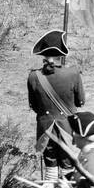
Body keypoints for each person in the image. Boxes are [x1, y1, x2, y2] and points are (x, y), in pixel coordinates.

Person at [27, 28, 85, 172]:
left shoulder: (34, 76)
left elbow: (34, 106)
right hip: (67, 127)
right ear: (62, 55)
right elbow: (80, 102)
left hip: (45, 128)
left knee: (50, 168)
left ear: (43, 55)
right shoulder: (73, 73)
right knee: (68, 166)